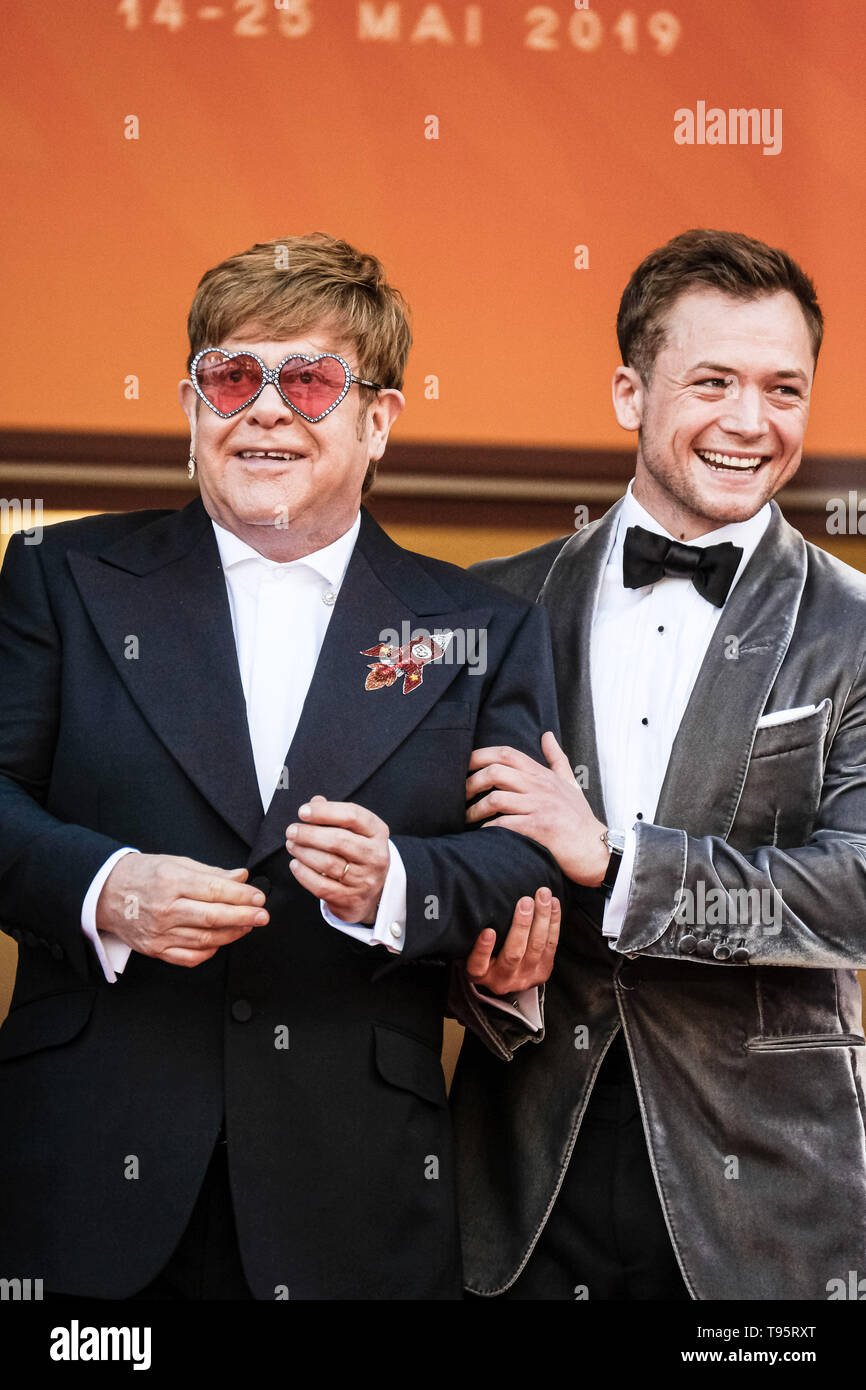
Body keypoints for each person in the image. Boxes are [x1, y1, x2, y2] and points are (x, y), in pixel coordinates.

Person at [0, 234, 562, 1301]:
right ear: (190, 403)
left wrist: (398, 884)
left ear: (379, 418)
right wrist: (105, 886)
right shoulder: (59, 575)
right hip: (81, 1174)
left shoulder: (478, 625)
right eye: (231, 376)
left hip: (352, 1194)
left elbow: (525, 858)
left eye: (308, 380)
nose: (264, 409)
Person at [450, 228, 866, 1300]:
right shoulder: (490, 605)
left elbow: (855, 890)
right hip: (520, 1185)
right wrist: (485, 985)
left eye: (783, 388)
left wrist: (616, 861)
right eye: (712, 381)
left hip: (768, 1207)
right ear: (628, 391)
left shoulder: (854, 628)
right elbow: (437, 871)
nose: (748, 421)